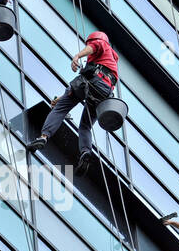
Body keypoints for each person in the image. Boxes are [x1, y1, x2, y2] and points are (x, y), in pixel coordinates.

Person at [26, 31, 119, 176]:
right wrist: (62, 96)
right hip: (103, 94)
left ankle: (44, 137)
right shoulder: (110, 60)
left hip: (91, 82)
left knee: (60, 109)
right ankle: (86, 152)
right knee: (86, 126)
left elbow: (95, 46)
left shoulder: (101, 45)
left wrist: (77, 56)